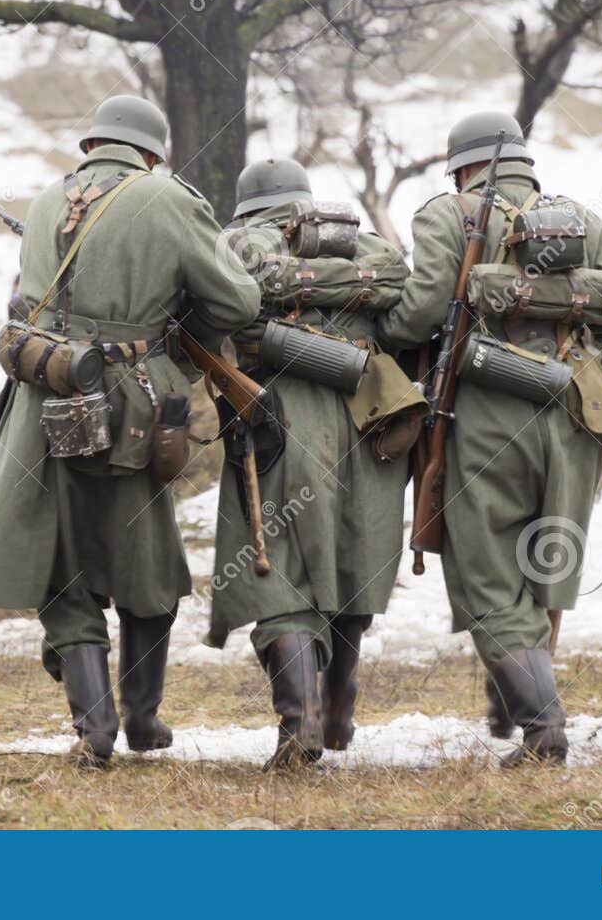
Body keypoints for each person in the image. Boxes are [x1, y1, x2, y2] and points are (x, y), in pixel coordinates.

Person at [0, 95, 260, 767]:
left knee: (63, 571)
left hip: (40, 397)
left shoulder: (45, 201)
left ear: (93, 144)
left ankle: (96, 728)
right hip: (130, 409)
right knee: (145, 562)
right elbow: (237, 301)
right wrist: (176, 328)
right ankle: (142, 718)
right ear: (151, 152)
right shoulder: (169, 199)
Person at [378, 111, 602, 766]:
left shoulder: (446, 215)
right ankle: (533, 710)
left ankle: (542, 726)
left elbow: (417, 314)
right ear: (524, 160)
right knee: (544, 567)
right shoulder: (582, 220)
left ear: (461, 166)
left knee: (489, 577)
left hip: (489, 417)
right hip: (579, 418)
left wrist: (377, 332)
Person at [205, 158, 412, 769]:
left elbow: (223, 300)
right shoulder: (366, 243)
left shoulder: (237, 242)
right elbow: (405, 293)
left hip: (280, 416)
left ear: (247, 204)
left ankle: (302, 724)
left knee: (279, 574)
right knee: (357, 552)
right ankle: (338, 701)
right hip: (373, 414)